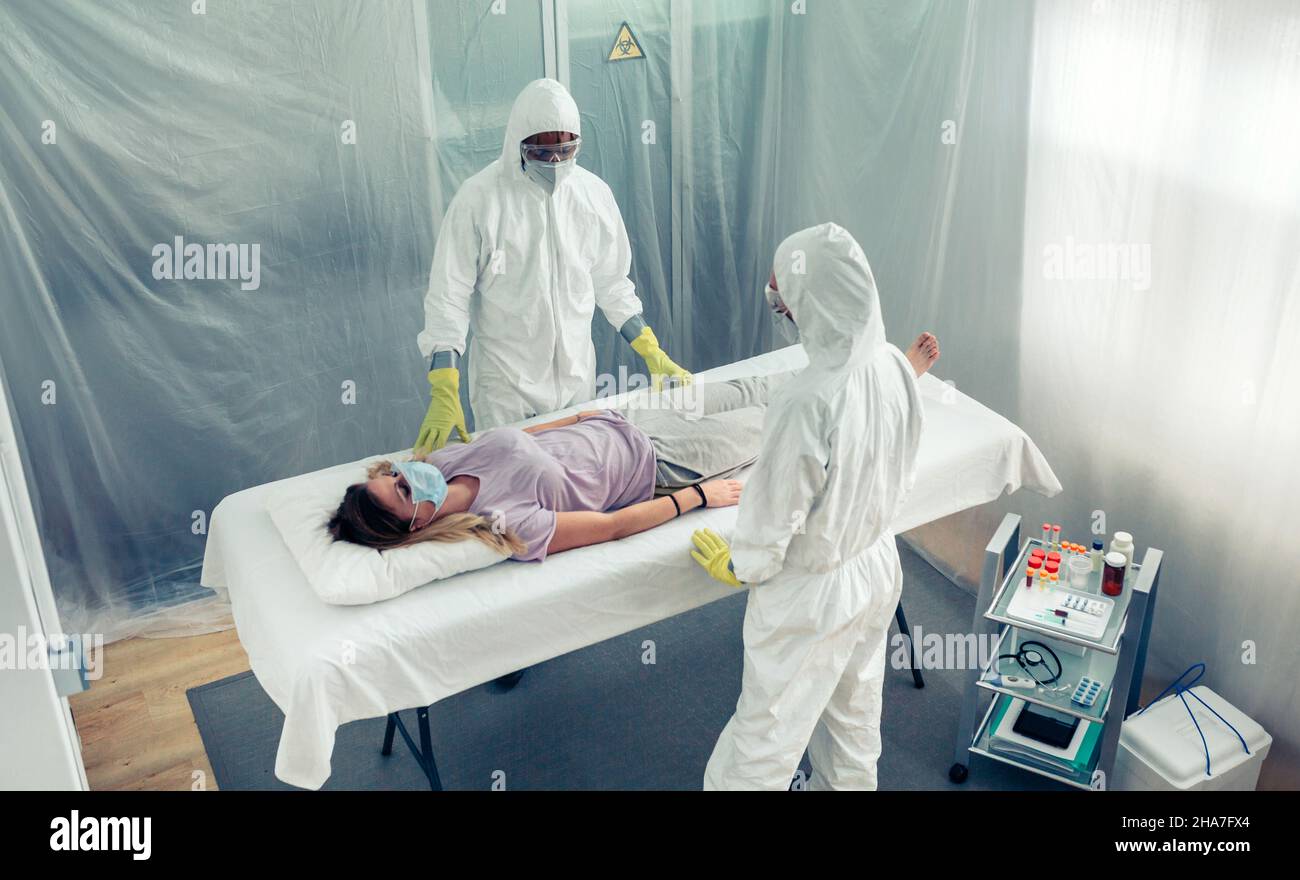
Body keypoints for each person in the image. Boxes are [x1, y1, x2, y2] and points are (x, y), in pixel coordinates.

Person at [689, 222, 940, 791]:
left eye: (784, 298)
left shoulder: (804, 401)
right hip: (875, 570)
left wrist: (741, 563)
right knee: (854, 719)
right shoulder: (893, 368)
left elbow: (774, 512)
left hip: (811, 595)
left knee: (766, 737)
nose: (781, 308)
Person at [414, 78, 689, 455]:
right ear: (518, 145)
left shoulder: (592, 195)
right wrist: (444, 385)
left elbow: (612, 284)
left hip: (576, 377)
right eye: (543, 152)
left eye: (566, 149)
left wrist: (651, 350)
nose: (556, 162)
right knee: (513, 483)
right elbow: (449, 296)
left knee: (576, 473)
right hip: (505, 386)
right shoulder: (479, 201)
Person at [331, 377, 781, 559]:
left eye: (395, 478)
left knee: (753, 386)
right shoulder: (503, 524)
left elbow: (525, 437)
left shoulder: (445, 462)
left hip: (629, 417)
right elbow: (612, 527)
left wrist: (583, 417)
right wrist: (698, 497)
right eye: (404, 493)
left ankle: (848, 365)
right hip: (666, 460)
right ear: (414, 528)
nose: (407, 477)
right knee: (779, 419)